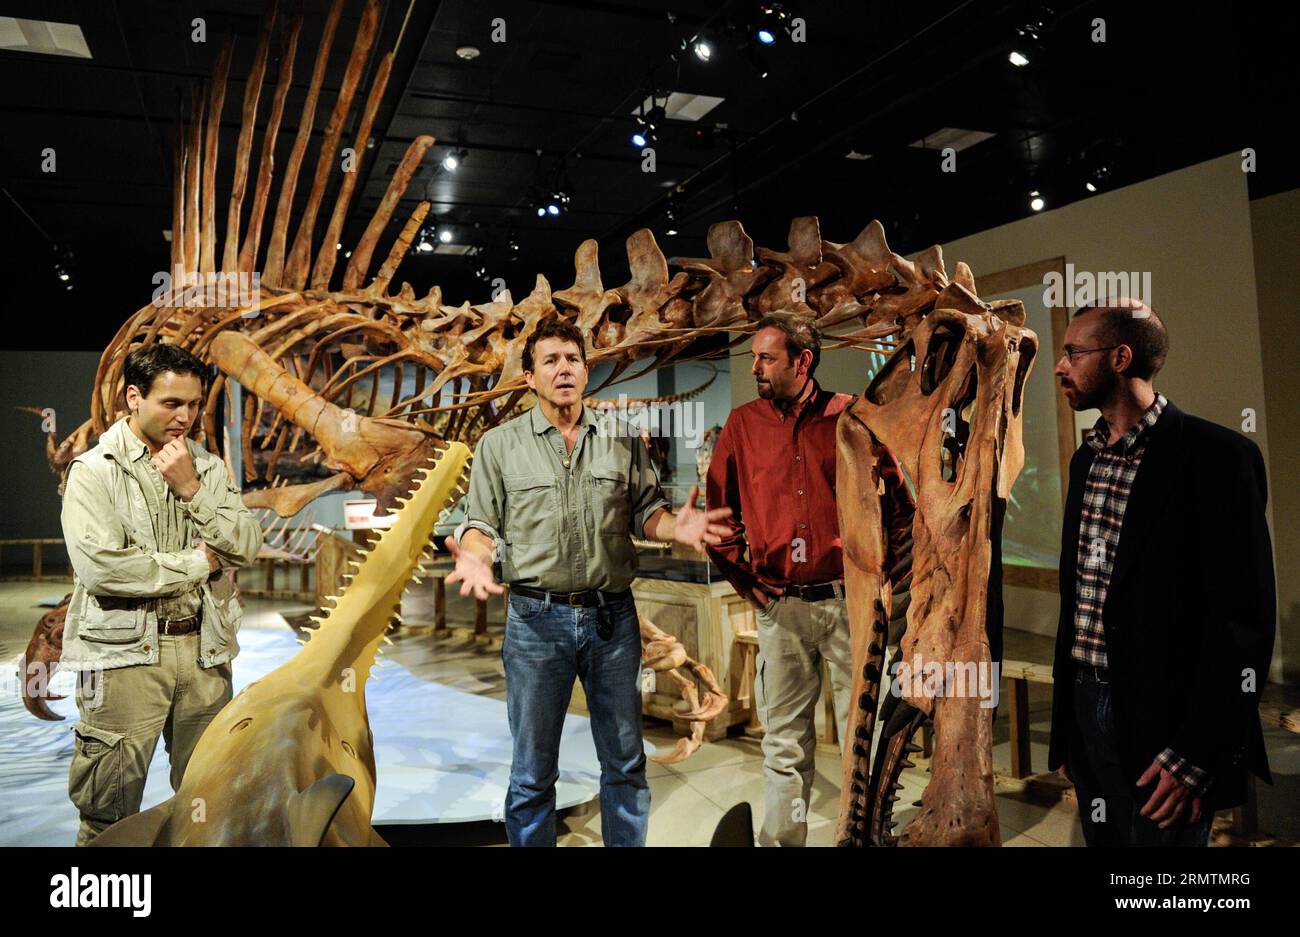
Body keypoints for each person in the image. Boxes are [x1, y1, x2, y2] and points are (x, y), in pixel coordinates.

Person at [444, 318, 732, 847]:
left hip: (611, 620)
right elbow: (481, 523)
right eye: (550, 360)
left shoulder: (622, 439)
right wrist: (477, 558)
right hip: (535, 622)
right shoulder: (498, 446)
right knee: (532, 772)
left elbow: (647, 512)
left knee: (625, 760)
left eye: (572, 359)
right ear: (530, 377)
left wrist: (677, 528)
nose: (563, 369)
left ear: (586, 370)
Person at [1048, 298, 1275, 847]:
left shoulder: (1218, 457)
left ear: (1120, 358)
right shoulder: (1088, 459)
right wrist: (1071, 732)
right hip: (1086, 709)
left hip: (1165, 724)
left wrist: (1196, 752)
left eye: (1073, 353)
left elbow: (1242, 623)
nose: (1061, 367)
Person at [706, 312, 907, 846]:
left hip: (850, 606)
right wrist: (752, 588)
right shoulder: (742, 426)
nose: (756, 368)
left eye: (767, 358)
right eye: (754, 358)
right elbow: (717, 518)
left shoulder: (852, 419)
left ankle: (861, 839)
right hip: (782, 609)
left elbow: (901, 507)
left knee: (863, 743)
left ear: (803, 361)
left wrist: (888, 583)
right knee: (784, 744)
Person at [61, 343, 263, 845]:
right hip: (123, 658)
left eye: (194, 405)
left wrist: (192, 489)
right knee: (108, 806)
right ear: (134, 396)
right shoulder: (93, 471)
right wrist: (200, 562)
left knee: (207, 798)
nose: (186, 416)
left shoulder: (208, 469)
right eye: (171, 403)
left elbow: (245, 545)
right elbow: (105, 568)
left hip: (205, 653)